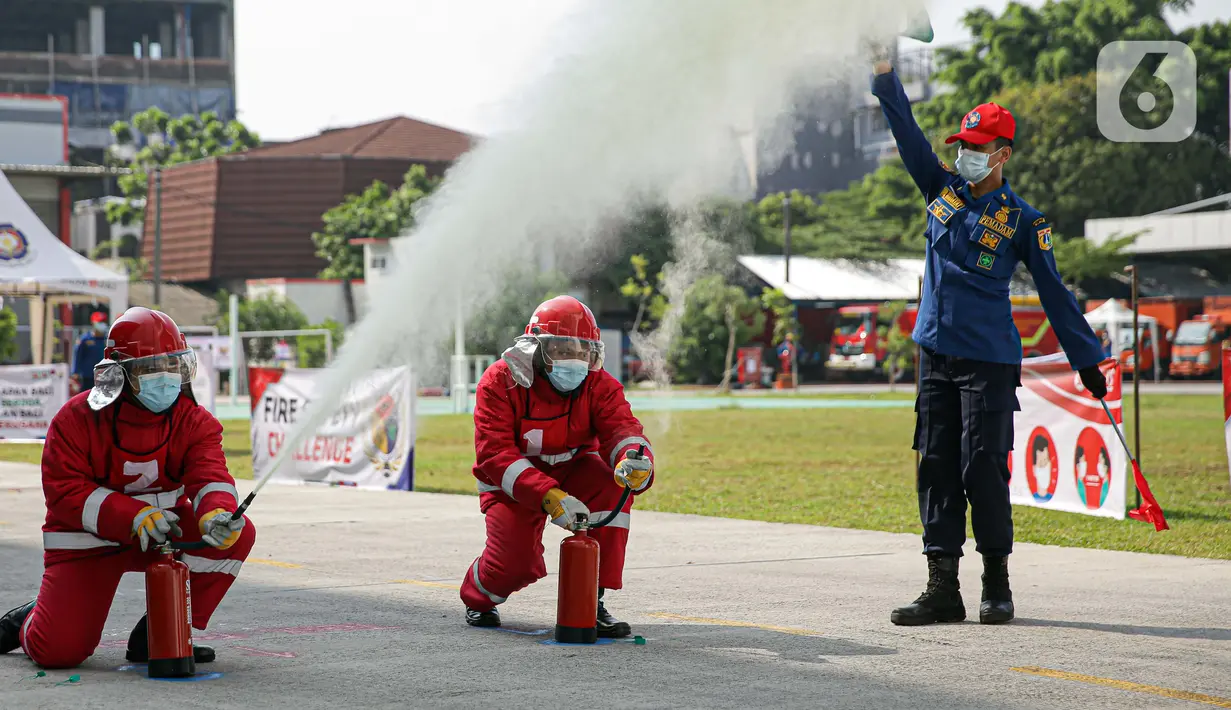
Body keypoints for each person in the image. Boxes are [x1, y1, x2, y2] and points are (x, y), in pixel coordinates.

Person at [870, 53, 1107, 626]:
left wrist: (1088, 360)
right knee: (935, 464)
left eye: (977, 147)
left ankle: (995, 583)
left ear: (1001, 154)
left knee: (982, 466)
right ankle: (942, 587)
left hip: (989, 362)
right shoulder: (941, 190)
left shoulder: (1025, 220)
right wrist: (884, 76)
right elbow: (907, 132)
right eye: (962, 144)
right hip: (935, 355)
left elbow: (1055, 295)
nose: (964, 154)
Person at [0, 307, 254, 669]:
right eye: (149, 369)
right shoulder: (74, 420)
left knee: (237, 534)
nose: (164, 378)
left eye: (172, 365)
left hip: (165, 531)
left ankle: (161, 634)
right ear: (116, 374)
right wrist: (133, 517)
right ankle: (27, 620)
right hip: (88, 542)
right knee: (58, 653)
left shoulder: (195, 420)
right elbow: (65, 493)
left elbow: (210, 473)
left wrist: (217, 512)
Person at [460, 295, 654, 637]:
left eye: (584, 351)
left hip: (574, 468)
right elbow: (495, 454)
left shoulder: (599, 384)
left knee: (611, 486)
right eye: (563, 349)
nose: (575, 360)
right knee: (513, 564)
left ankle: (591, 599)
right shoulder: (500, 381)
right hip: (511, 482)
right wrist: (549, 497)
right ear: (536, 349)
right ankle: (478, 597)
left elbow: (623, 428)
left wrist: (634, 461)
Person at [71, 312, 109, 393]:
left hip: (104, 375)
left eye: (103, 322)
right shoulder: (85, 339)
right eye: (99, 322)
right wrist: (75, 372)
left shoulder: (108, 340)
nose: (101, 325)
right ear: (93, 323)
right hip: (88, 376)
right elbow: (78, 355)